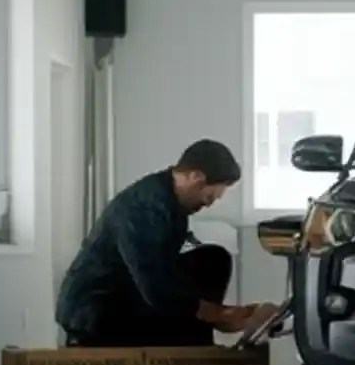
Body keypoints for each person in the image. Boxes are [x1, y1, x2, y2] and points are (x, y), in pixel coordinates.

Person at [56, 139, 260, 347]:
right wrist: (218, 315)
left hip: (122, 295)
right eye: (209, 196)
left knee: (212, 260)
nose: (208, 204)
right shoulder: (144, 207)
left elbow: (168, 274)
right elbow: (155, 286)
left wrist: (221, 313)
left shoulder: (170, 201)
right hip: (94, 313)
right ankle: (195, 355)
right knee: (206, 268)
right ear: (196, 177)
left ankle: (197, 349)